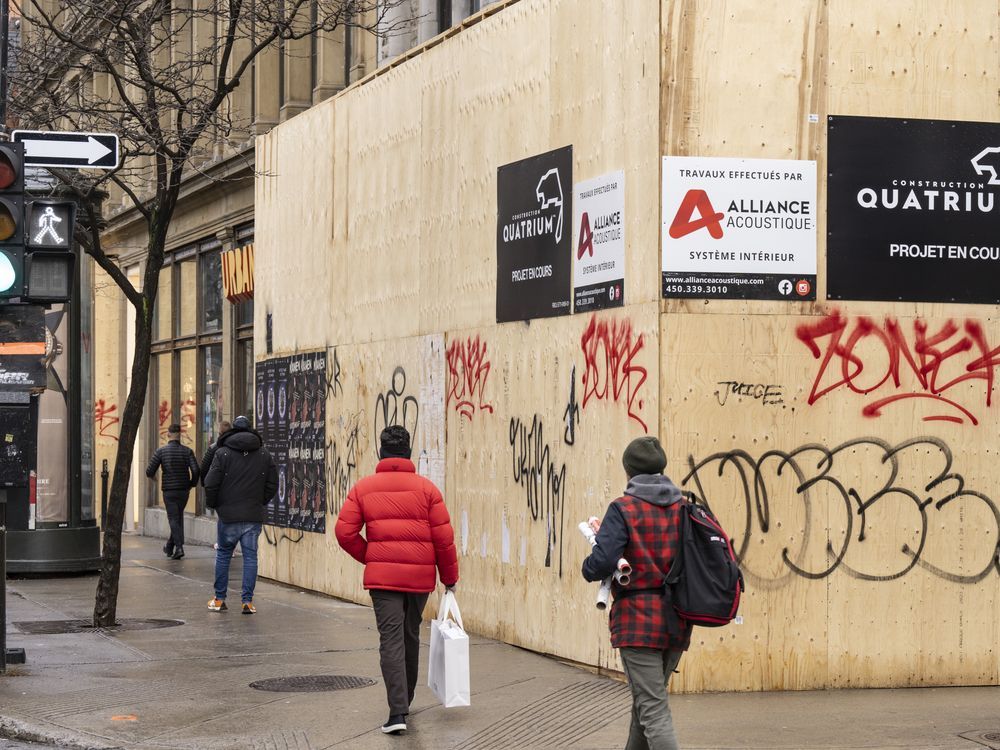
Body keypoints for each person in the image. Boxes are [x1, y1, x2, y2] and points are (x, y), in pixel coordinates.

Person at [335, 426, 458, 736]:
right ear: (408, 451)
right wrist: (450, 578)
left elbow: (344, 532)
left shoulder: (364, 488)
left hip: (383, 580)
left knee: (390, 639)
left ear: (381, 452)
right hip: (419, 578)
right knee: (410, 635)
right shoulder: (427, 489)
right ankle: (407, 700)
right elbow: (444, 539)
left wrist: (371, 556)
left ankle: (397, 711)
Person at [581, 436, 693, 750]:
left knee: (653, 708)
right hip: (678, 619)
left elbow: (602, 562)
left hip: (637, 622)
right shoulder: (683, 508)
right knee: (645, 702)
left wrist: (588, 566)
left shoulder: (623, 508)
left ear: (629, 471)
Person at [203, 415, 278, 614]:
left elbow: (211, 483)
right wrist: (261, 501)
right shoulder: (263, 454)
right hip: (252, 514)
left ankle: (219, 599)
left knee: (224, 555)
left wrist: (214, 504)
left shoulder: (222, 453)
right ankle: (247, 601)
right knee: (250, 557)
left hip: (228, 514)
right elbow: (272, 483)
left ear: (233, 431)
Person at [145, 423, 199, 560]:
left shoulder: (161, 452)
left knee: (174, 518)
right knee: (177, 517)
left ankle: (179, 547)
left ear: (168, 434)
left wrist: (155, 478)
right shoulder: (187, 451)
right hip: (183, 490)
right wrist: (192, 484)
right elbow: (196, 470)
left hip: (169, 491)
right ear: (180, 434)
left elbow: (149, 471)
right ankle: (170, 546)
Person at [200, 419, 232, 485]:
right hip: (232, 485)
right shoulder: (236, 446)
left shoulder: (214, 447)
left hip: (217, 484)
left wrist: (205, 483)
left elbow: (204, 467)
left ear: (219, 433)